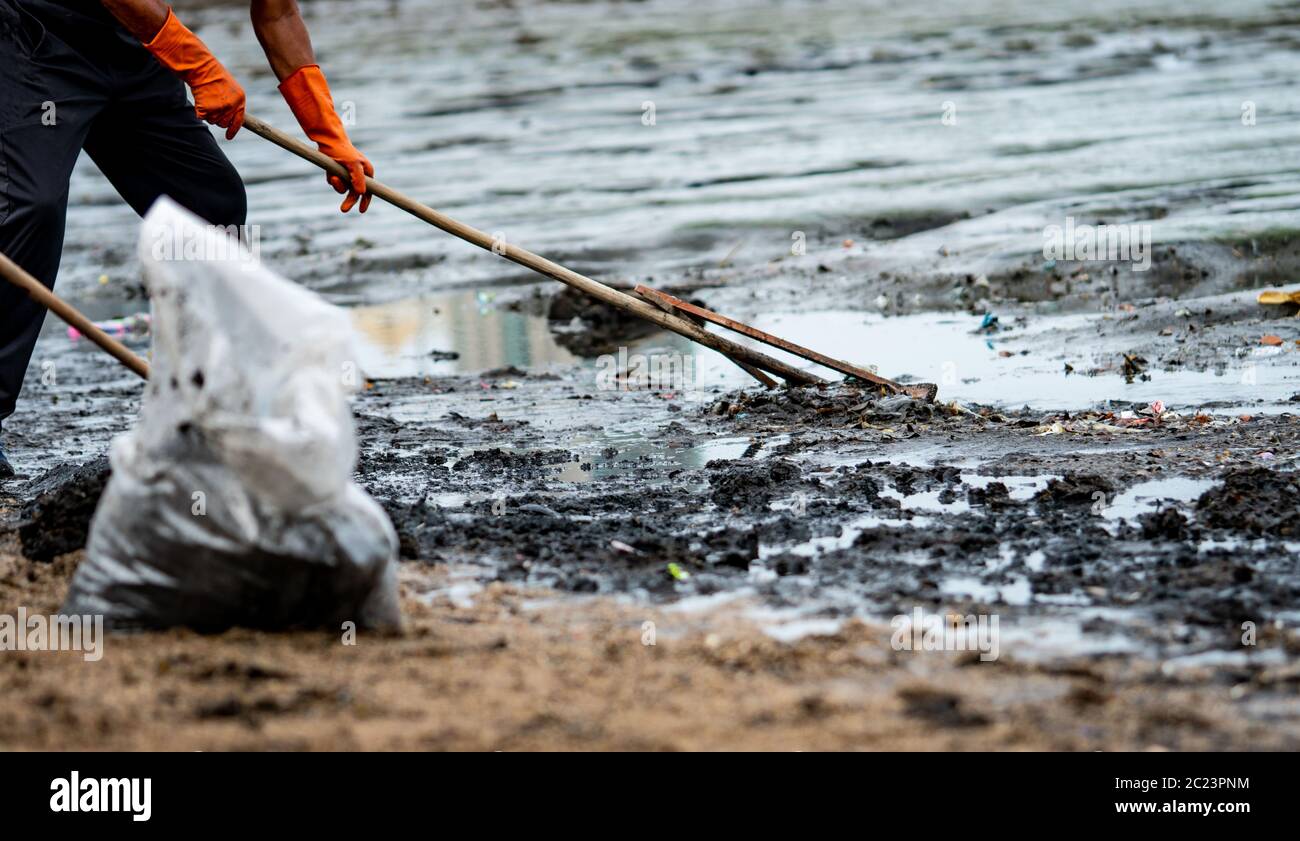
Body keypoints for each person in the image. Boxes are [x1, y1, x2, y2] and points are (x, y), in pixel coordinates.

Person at [0, 0, 373, 479]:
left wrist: (328, 133)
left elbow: (277, 14)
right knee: (30, 206)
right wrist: (198, 66)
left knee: (211, 208)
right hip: (33, 39)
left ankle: (207, 396)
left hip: (134, 45)